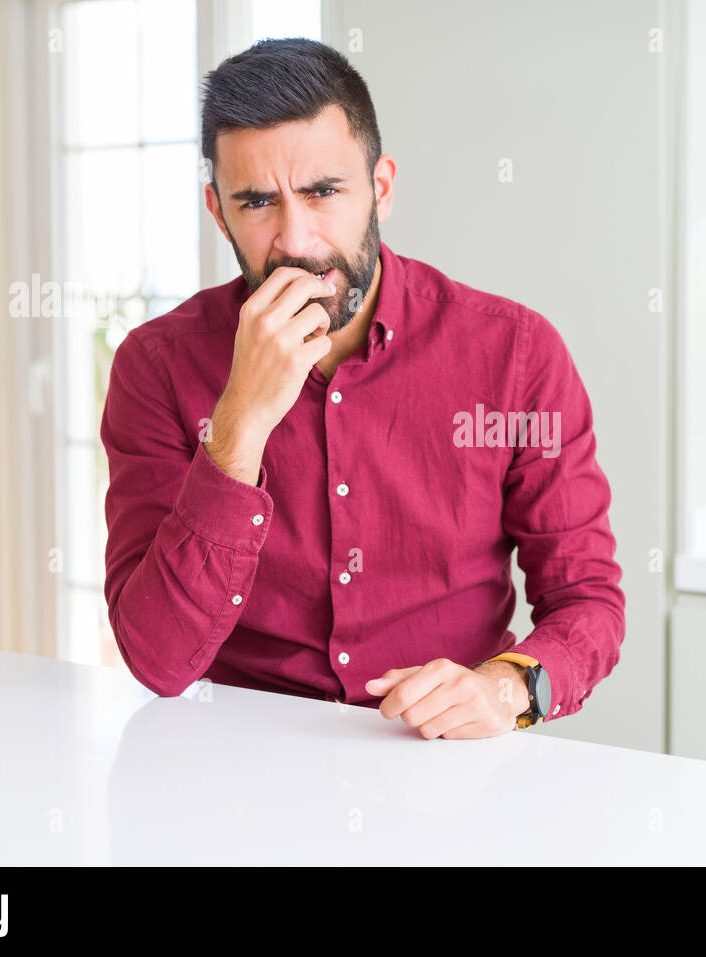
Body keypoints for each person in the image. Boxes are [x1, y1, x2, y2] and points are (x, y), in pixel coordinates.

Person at [100, 38, 624, 740]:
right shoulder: (156, 367)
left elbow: (588, 602)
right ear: (218, 213)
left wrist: (507, 687)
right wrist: (239, 426)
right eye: (256, 202)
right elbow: (156, 660)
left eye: (323, 191)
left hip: (444, 762)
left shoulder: (517, 356)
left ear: (381, 187)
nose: (297, 239)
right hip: (237, 769)